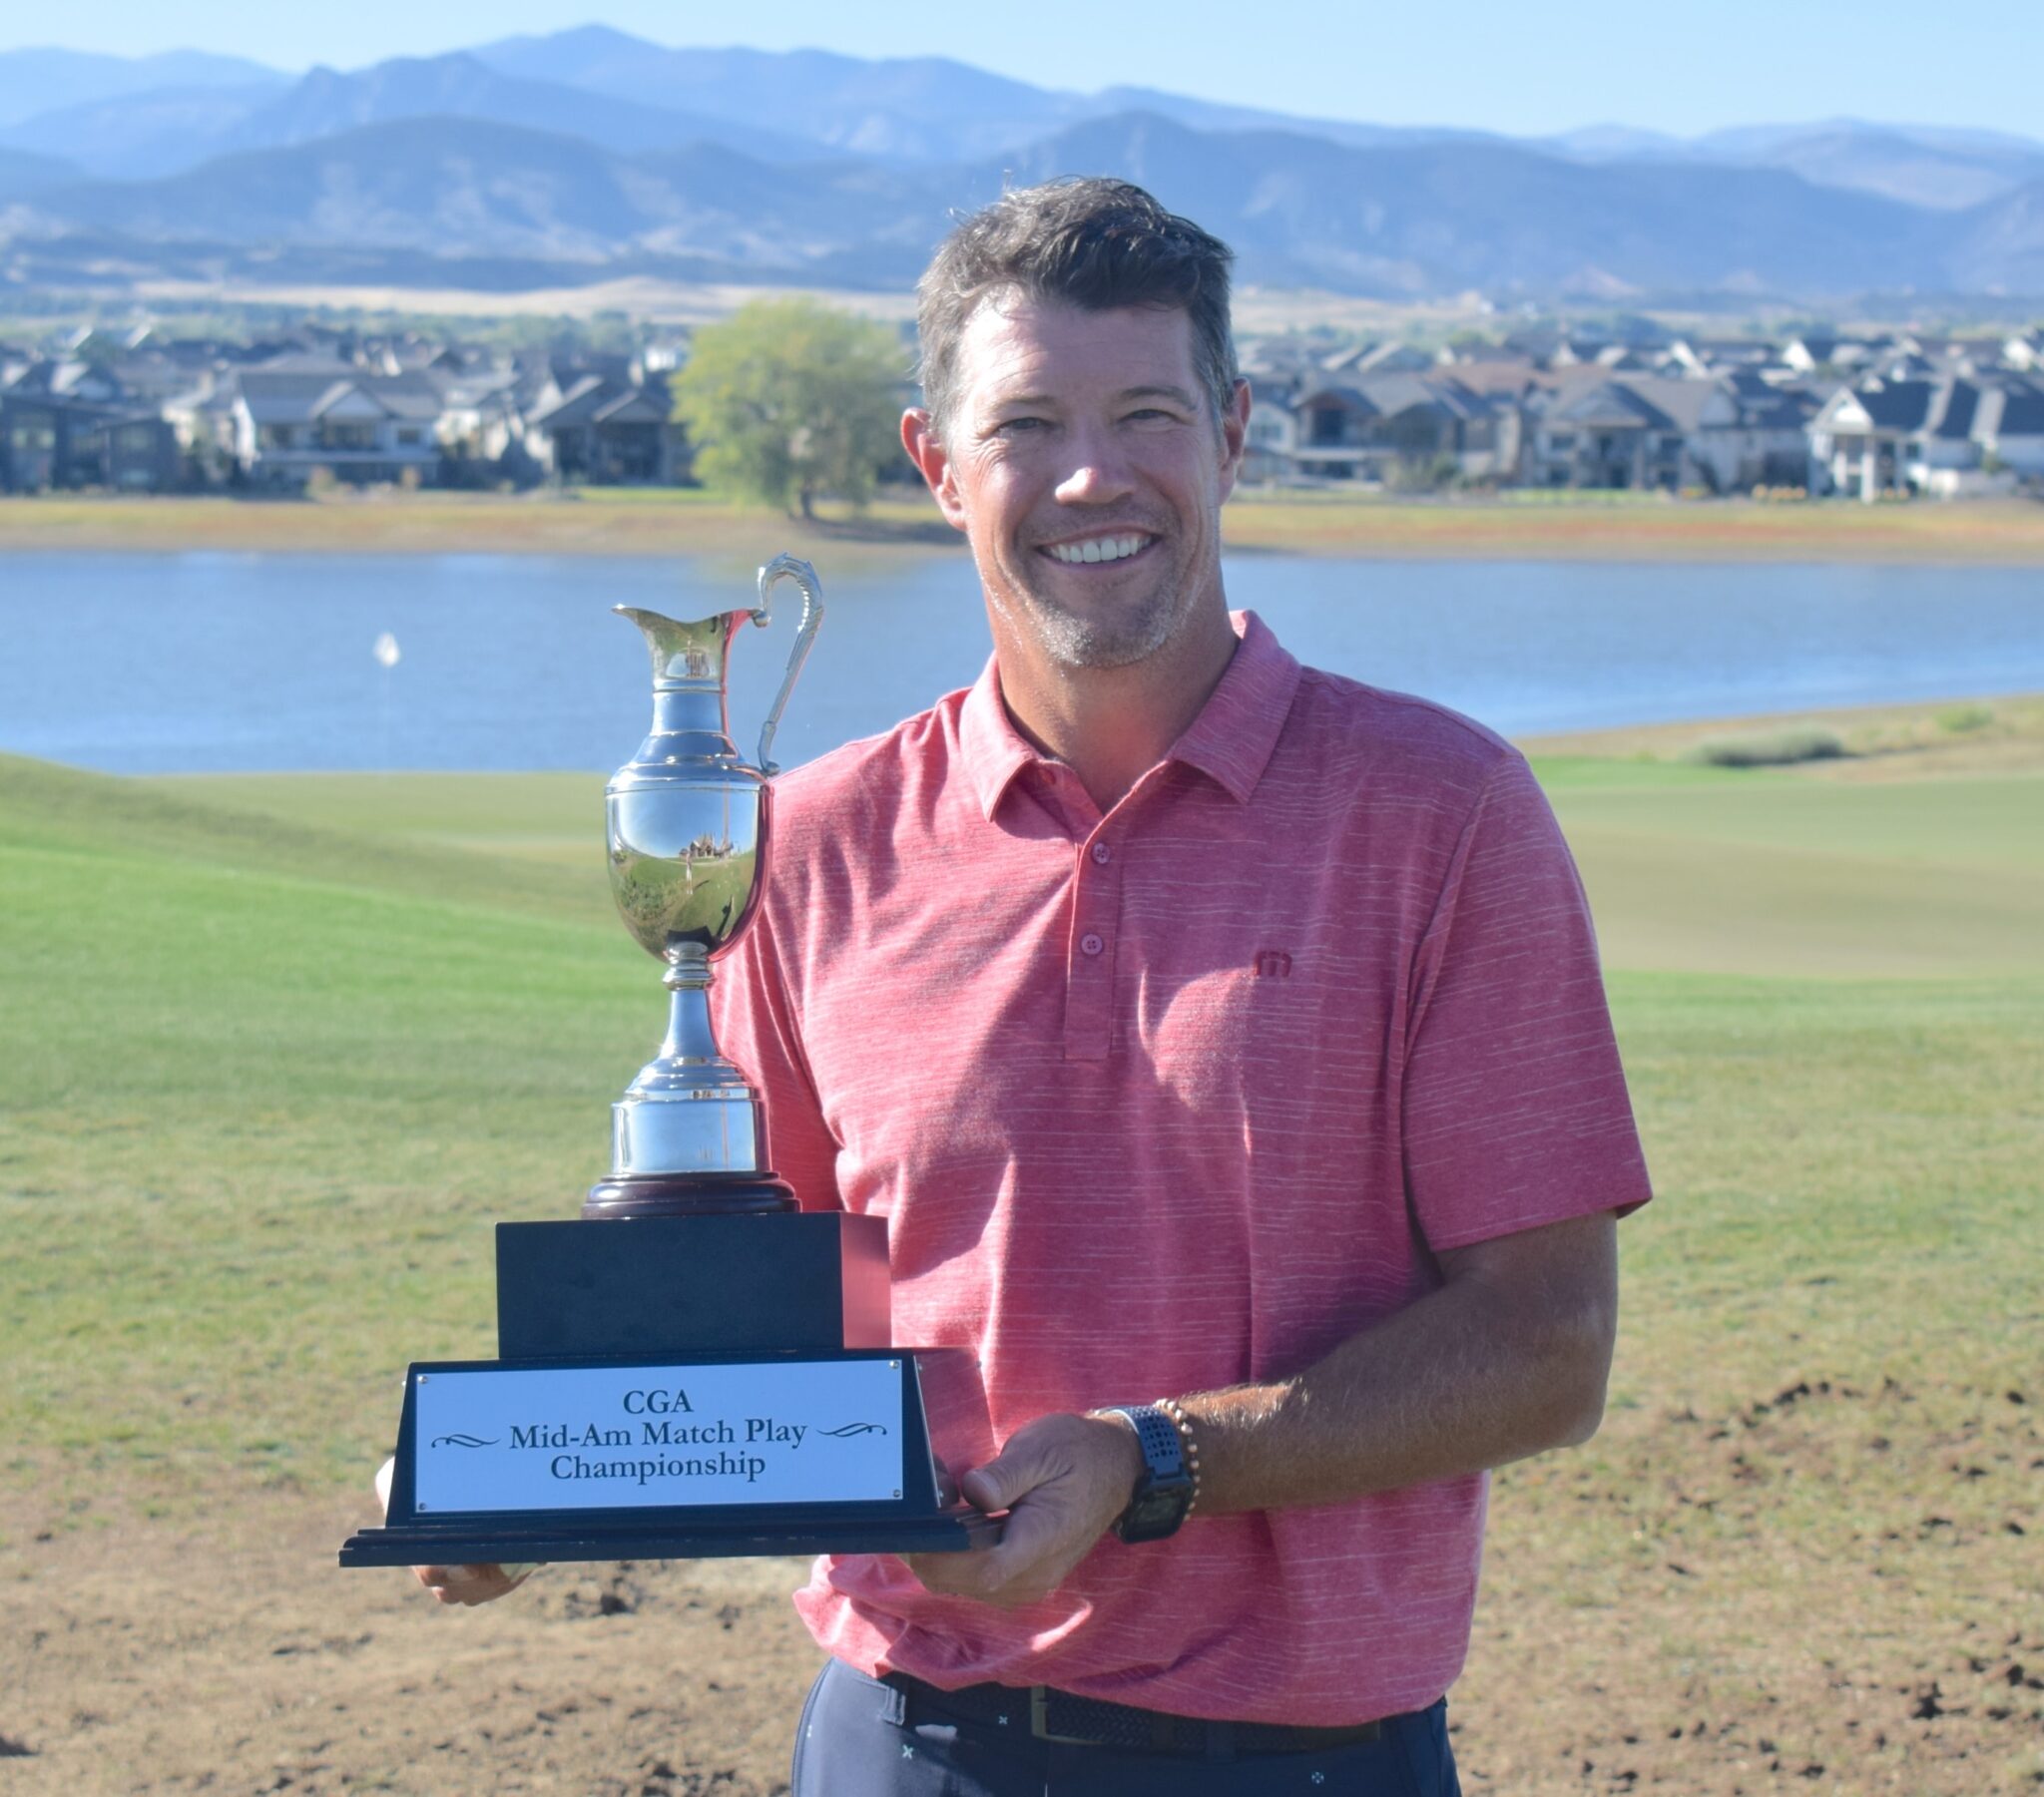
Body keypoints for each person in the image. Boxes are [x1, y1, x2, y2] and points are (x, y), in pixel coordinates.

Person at [415, 178, 1653, 1795]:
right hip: (906, 1741)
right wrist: (526, 1466)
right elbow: (757, 1303)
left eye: (1148, 410)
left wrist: (1155, 1459)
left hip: (1308, 1762)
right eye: (1027, 424)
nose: (1093, 474)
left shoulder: (1445, 814)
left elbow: (1548, 1344)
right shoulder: (814, 836)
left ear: (1235, 433)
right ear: (936, 462)